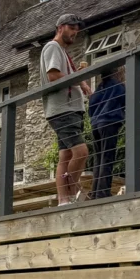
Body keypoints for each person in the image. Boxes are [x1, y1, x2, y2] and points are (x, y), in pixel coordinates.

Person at [40, 13, 91, 206]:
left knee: (66, 155)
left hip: (68, 108)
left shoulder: (61, 51)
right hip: (63, 109)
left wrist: (81, 81)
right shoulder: (53, 47)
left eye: (77, 29)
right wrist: (79, 80)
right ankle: (71, 193)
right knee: (81, 151)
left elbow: (62, 75)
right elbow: (53, 75)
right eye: (71, 28)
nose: (75, 32)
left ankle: (64, 200)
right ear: (60, 27)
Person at [88, 66, 125, 199]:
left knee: (98, 159)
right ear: (117, 73)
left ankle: (95, 192)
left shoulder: (99, 89)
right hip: (109, 122)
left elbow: (91, 107)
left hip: (96, 125)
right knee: (107, 158)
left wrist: (95, 118)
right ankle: (103, 192)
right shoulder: (118, 87)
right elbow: (125, 102)